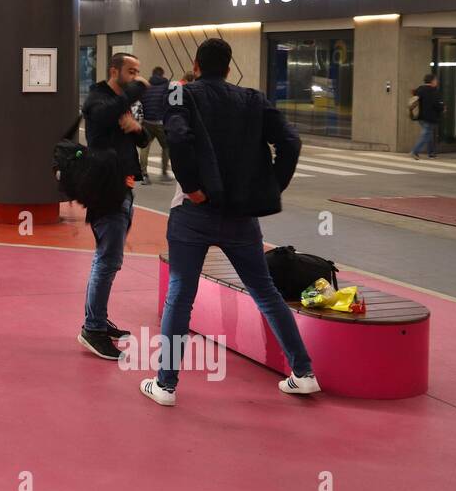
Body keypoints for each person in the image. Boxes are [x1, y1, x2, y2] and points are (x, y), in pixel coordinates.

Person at [142, 37, 317, 407]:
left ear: (197, 63)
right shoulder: (253, 99)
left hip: (194, 214)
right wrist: (270, 186)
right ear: (229, 65)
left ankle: (166, 385)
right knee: (265, 292)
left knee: (180, 295)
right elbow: (291, 141)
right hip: (242, 215)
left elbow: (177, 135)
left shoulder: (182, 93)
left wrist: (192, 186)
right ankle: (303, 372)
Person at [77, 52, 149, 360]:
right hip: (106, 190)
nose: (135, 77)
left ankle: (97, 319)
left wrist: (136, 129)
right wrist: (135, 91)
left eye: (137, 72)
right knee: (108, 259)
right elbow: (105, 116)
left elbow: (143, 139)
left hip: (125, 187)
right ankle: (92, 329)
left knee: (105, 257)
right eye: (130, 71)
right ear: (114, 71)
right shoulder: (98, 98)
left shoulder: (123, 103)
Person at [139, 66, 171, 184]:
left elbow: (141, 102)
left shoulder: (146, 87)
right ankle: (164, 173)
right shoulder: (167, 86)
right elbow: (169, 102)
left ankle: (144, 174)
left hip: (147, 121)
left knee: (145, 147)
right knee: (166, 146)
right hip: (161, 122)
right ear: (162, 75)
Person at [410, 73, 443, 160]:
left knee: (429, 134)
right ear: (432, 81)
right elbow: (436, 104)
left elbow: (415, 96)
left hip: (421, 116)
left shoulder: (420, 89)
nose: (437, 82)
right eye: (435, 80)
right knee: (425, 135)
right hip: (430, 117)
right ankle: (415, 151)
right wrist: (443, 108)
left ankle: (431, 153)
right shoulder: (433, 90)